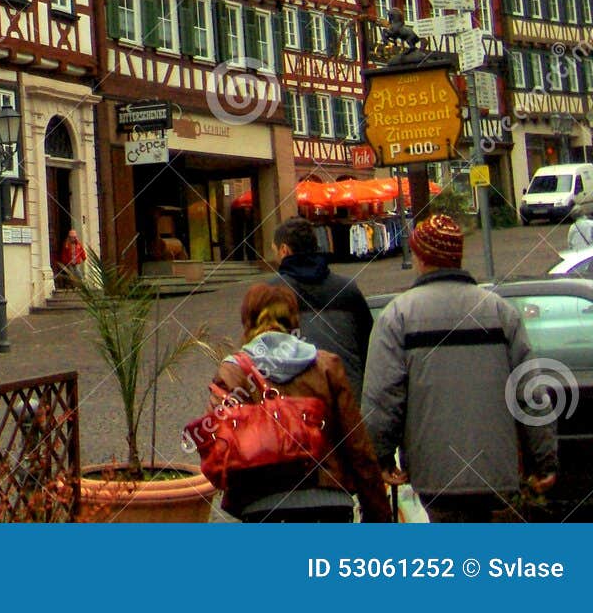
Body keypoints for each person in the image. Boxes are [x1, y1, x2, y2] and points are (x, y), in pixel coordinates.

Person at [361, 213, 558, 522]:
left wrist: (381, 457)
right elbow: (530, 393)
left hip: (434, 473)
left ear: (420, 257)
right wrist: (543, 461)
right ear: (457, 256)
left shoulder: (397, 316)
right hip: (497, 472)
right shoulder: (500, 312)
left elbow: (383, 397)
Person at [206, 283, 392, 523]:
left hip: (263, 505)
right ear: (294, 320)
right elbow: (358, 446)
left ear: (247, 320)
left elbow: (216, 444)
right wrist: (378, 514)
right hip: (329, 502)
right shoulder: (326, 366)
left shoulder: (234, 372)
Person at [270, 215, 374, 399]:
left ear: (284, 250)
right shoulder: (347, 289)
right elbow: (369, 346)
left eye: (275, 251)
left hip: (297, 402)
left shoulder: (271, 293)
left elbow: (261, 357)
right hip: (346, 396)